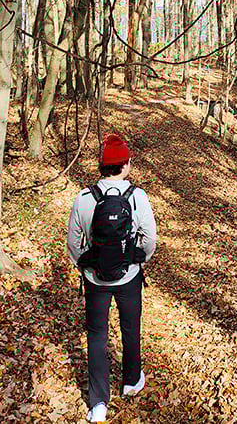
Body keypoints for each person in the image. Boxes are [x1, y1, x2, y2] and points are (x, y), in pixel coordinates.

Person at [67, 133, 157, 423]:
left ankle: (98, 404)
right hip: (128, 276)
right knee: (131, 328)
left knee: (96, 336)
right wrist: (137, 259)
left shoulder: (83, 198)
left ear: (101, 166)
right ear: (127, 164)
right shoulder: (138, 197)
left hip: (95, 280)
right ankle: (131, 380)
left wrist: (86, 266)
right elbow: (149, 239)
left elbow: (73, 242)